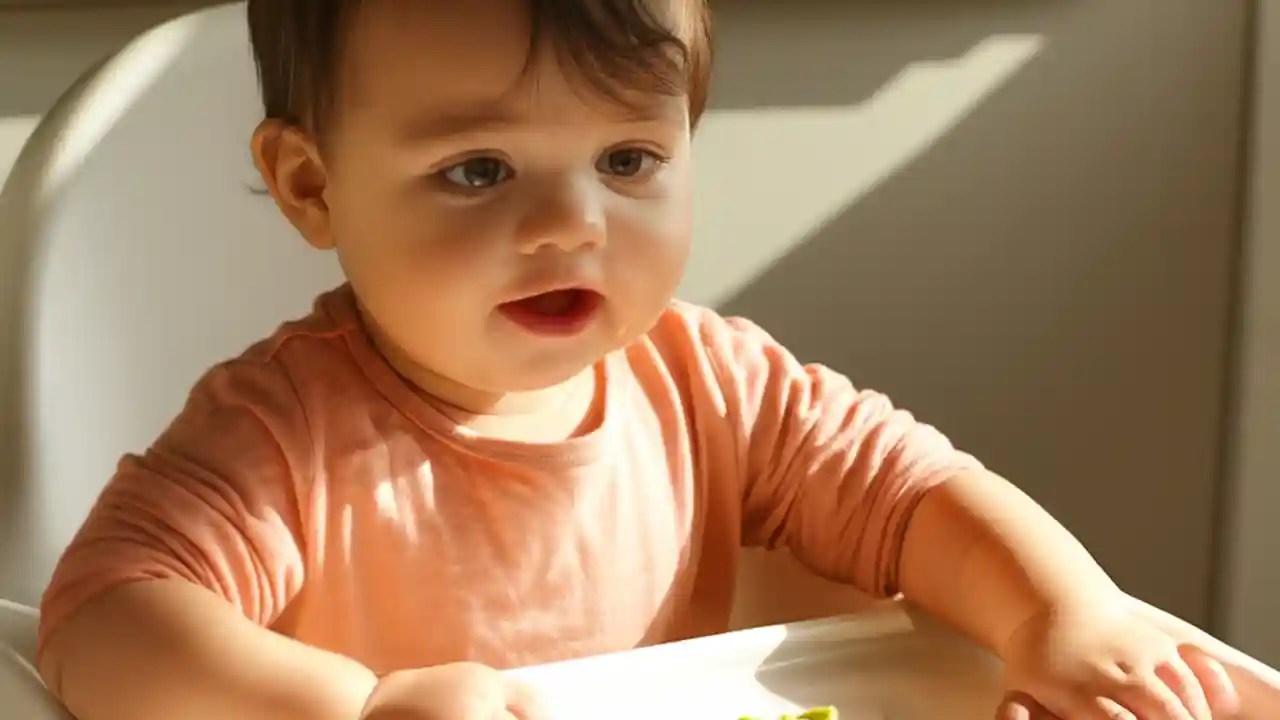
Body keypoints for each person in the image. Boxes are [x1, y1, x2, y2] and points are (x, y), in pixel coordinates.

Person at [32, 2, 1280, 719]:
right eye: (477, 170)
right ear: (311, 185)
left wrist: (1059, 615)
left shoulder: (709, 385)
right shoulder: (283, 433)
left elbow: (910, 496)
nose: (571, 223)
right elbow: (101, 622)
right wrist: (353, 709)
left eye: (627, 161)